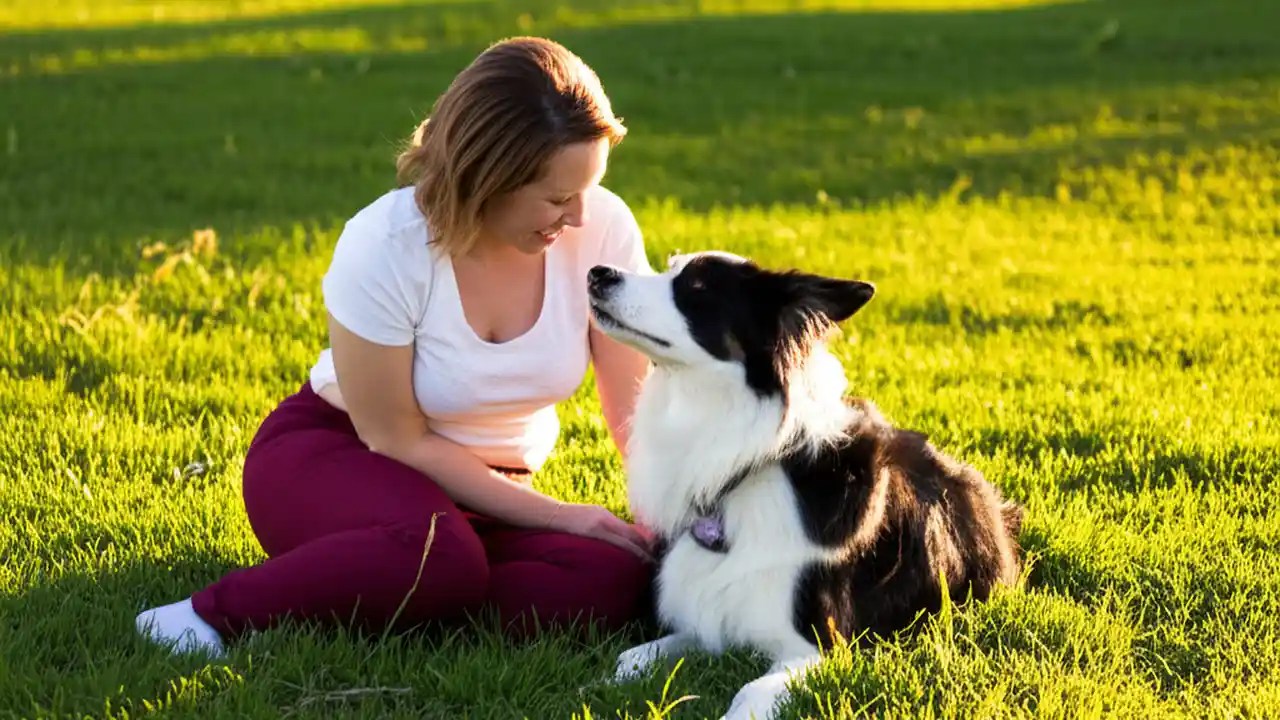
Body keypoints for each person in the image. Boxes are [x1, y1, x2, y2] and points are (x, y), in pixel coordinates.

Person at [135, 36, 657, 655]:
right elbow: (396, 438)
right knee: (438, 555)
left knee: (620, 579)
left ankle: (406, 591)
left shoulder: (602, 228)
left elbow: (635, 413)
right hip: (342, 456)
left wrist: (665, 525)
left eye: (588, 190)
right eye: (556, 197)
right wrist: (563, 515)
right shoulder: (387, 243)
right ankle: (202, 617)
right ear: (487, 176)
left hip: (485, 494)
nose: (576, 217)